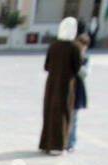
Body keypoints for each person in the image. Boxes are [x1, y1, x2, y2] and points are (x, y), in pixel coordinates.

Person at [40, 18, 82, 154]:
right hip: (66, 85)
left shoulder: (53, 46)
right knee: (63, 113)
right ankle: (58, 145)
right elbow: (77, 68)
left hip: (51, 85)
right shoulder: (74, 47)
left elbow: (46, 66)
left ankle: (46, 144)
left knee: (49, 113)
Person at [68, 34, 90, 151]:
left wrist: (77, 63)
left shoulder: (85, 58)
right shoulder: (69, 56)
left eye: (82, 46)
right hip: (67, 88)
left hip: (78, 89)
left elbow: (85, 73)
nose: (79, 48)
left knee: (73, 118)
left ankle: (71, 143)